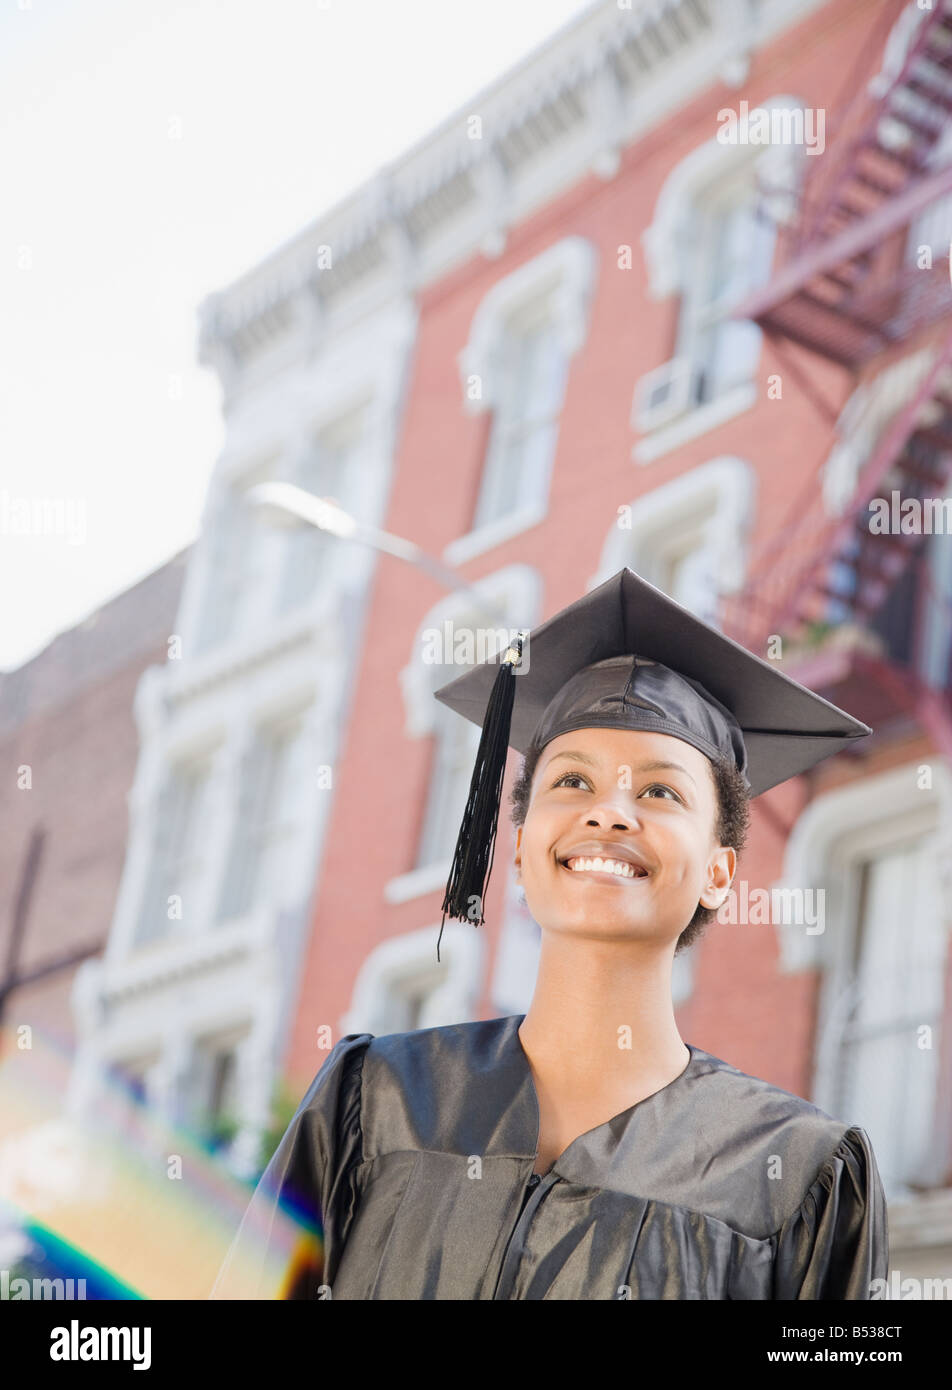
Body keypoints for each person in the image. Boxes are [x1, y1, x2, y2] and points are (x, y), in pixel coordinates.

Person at [211, 566, 888, 1300]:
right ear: (523, 848)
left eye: (660, 791)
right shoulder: (373, 1099)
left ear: (719, 874)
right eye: (572, 782)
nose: (610, 813)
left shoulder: (797, 1176)